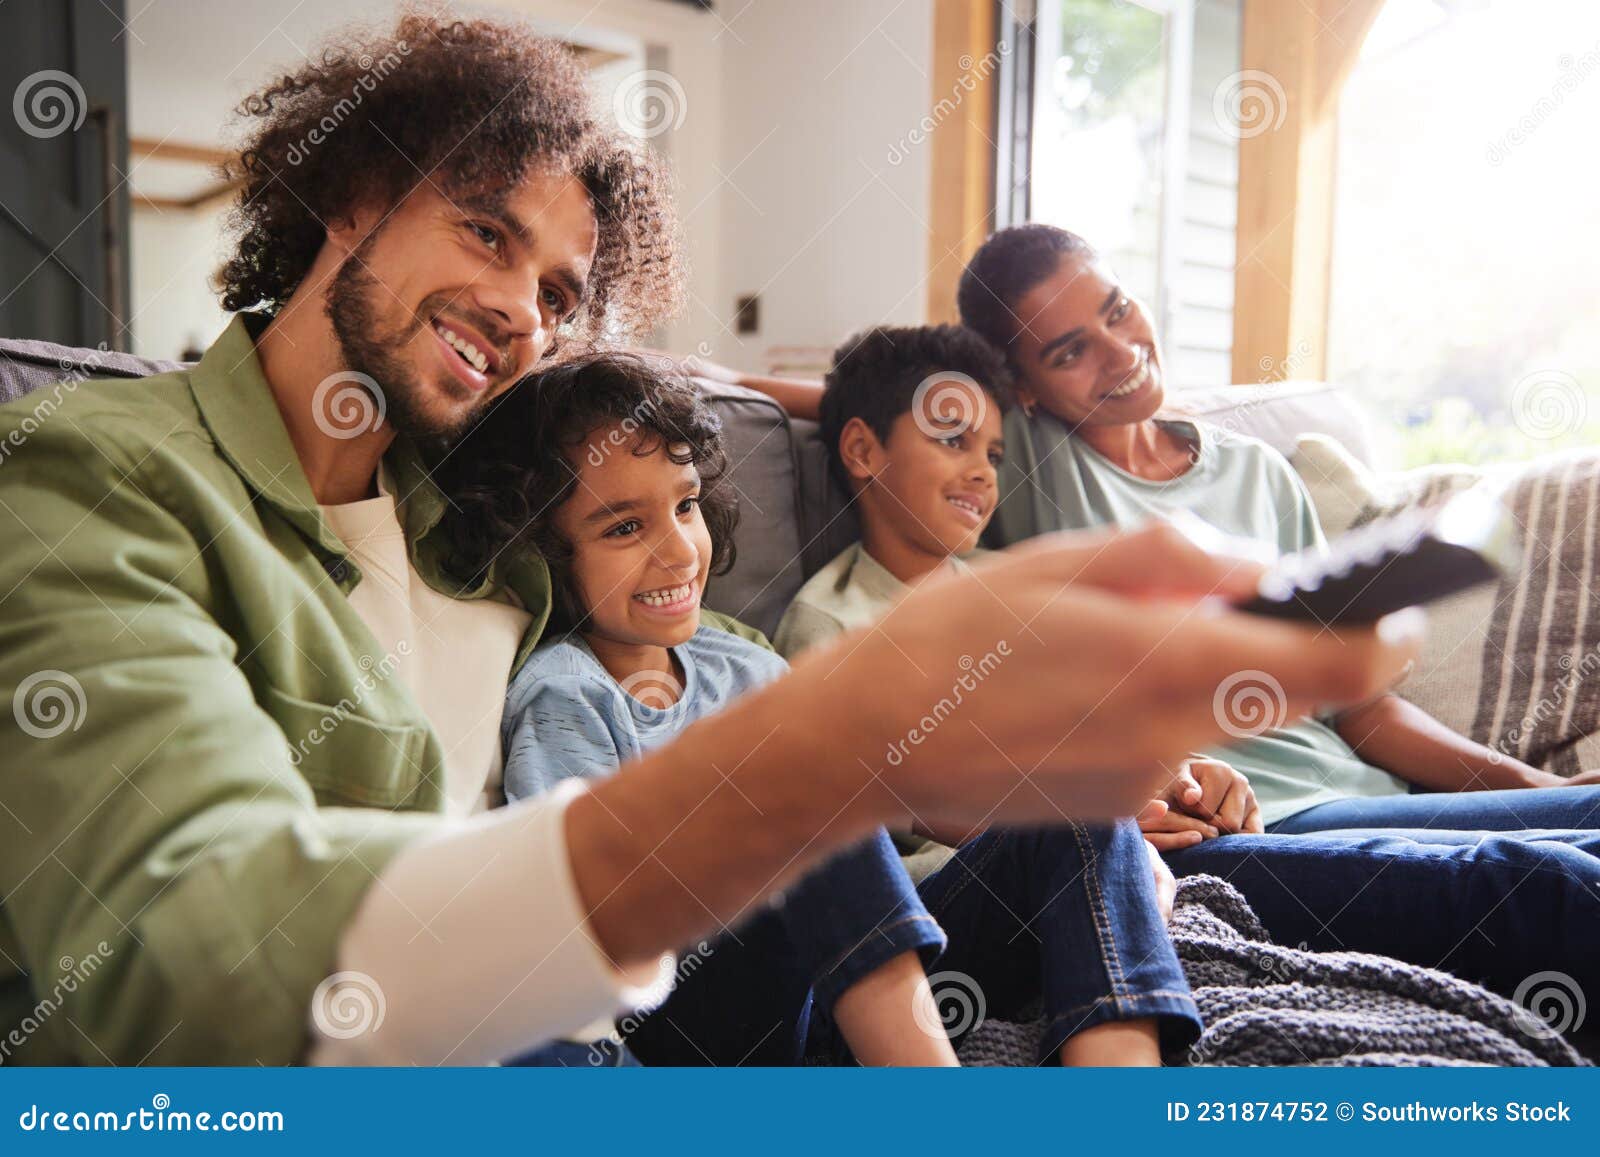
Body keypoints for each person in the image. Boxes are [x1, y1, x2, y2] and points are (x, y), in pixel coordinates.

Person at [0, 14, 1418, 1065]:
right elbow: (176, 960)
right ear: (350, 199)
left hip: (677, 988)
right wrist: (796, 762)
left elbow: (674, 506)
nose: (521, 310)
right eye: (485, 232)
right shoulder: (102, 475)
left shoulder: (486, 523)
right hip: (430, 1056)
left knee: (1036, 818)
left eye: (560, 290)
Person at [719, 222, 1600, 1008]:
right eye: (1068, 351)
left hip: (1277, 789)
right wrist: (702, 377)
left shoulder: (1246, 473)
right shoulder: (1029, 479)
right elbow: (888, 409)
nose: (1116, 351)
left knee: (1575, 826)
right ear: (1022, 387)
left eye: (1118, 311)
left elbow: (1351, 707)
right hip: (1222, 830)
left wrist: (1520, 781)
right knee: (1542, 885)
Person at [455, 352, 955, 1066]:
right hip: (695, 1019)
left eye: (685, 506)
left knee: (1077, 831)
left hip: (843, 997)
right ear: (543, 554)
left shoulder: (747, 666)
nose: (679, 552)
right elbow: (591, 922)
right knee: (805, 802)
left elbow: (871, 856)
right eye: (624, 528)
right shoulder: (568, 691)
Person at [770, 325, 1200, 1065]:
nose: (981, 472)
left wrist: (1182, 777)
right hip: (937, 931)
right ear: (863, 451)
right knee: (1074, 818)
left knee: (1456, 875)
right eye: (952, 440)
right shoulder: (830, 625)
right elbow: (863, 817)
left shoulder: (1017, 589)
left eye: (993, 454)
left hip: (1104, 863)